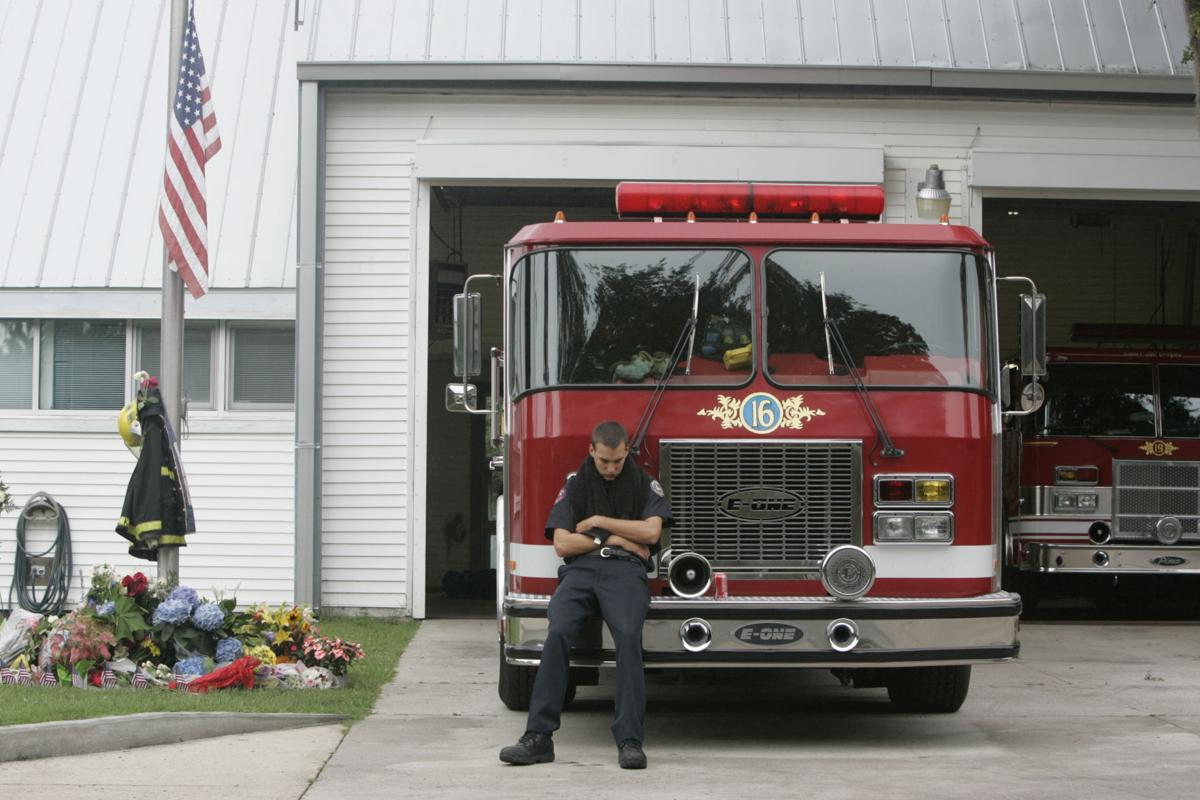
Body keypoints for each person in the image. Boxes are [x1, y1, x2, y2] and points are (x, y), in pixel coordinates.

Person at [499, 420, 671, 770]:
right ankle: (538, 738)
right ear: (591, 450)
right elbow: (563, 544)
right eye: (604, 460)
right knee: (558, 632)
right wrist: (616, 538)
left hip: (625, 573)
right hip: (580, 571)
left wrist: (598, 522)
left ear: (626, 453)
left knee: (627, 636)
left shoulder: (642, 482)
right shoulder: (576, 485)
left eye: (617, 461)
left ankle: (630, 740)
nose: (610, 468)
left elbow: (652, 533)